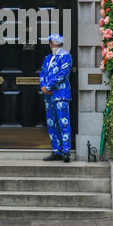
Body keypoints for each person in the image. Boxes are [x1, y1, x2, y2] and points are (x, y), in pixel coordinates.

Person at [40, 34, 73, 162]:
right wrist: (43, 86)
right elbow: (42, 73)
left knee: (63, 122)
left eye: (51, 42)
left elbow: (62, 74)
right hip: (48, 97)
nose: (51, 45)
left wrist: (48, 86)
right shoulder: (47, 58)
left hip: (61, 95)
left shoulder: (66, 56)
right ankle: (56, 151)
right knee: (51, 123)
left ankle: (66, 151)